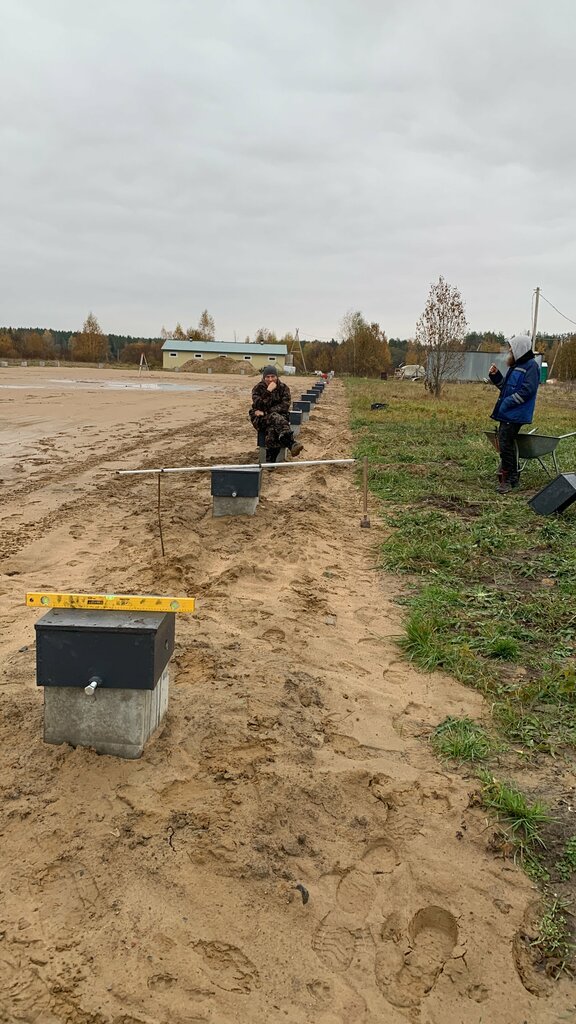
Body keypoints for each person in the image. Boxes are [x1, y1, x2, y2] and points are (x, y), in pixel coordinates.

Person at [488, 335, 541, 494]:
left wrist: (508, 402)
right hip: (508, 413)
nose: (510, 350)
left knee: (505, 444)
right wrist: (496, 376)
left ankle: (509, 479)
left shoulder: (531, 366)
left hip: (516, 414)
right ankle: (512, 476)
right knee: (506, 444)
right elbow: (505, 387)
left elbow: (528, 390)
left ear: (520, 348)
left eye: (512, 346)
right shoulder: (516, 365)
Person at [249, 365, 304, 463]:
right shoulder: (258, 388)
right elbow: (259, 405)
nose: (270, 379)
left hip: (278, 417)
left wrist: (266, 412)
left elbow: (284, 406)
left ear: (277, 377)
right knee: (274, 417)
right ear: (264, 377)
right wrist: (268, 391)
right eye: (267, 377)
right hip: (260, 419)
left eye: (273, 376)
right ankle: (291, 443)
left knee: (272, 429)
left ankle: (270, 462)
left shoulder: (284, 388)